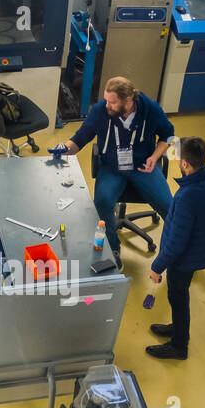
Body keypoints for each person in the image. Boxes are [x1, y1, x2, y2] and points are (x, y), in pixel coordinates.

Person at [49, 76, 174, 266]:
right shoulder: (100, 111)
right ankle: (112, 248)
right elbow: (80, 139)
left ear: (129, 100)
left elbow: (168, 136)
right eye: (106, 99)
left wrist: (155, 157)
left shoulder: (151, 110)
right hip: (111, 168)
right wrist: (64, 149)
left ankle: (176, 250)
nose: (107, 105)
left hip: (143, 166)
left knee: (170, 206)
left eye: (113, 102)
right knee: (102, 202)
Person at [144, 136, 205, 360]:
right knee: (181, 294)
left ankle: (179, 346)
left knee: (178, 296)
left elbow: (176, 243)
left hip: (188, 256)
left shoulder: (186, 196)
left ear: (185, 165)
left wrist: (157, 267)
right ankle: (178, 327)